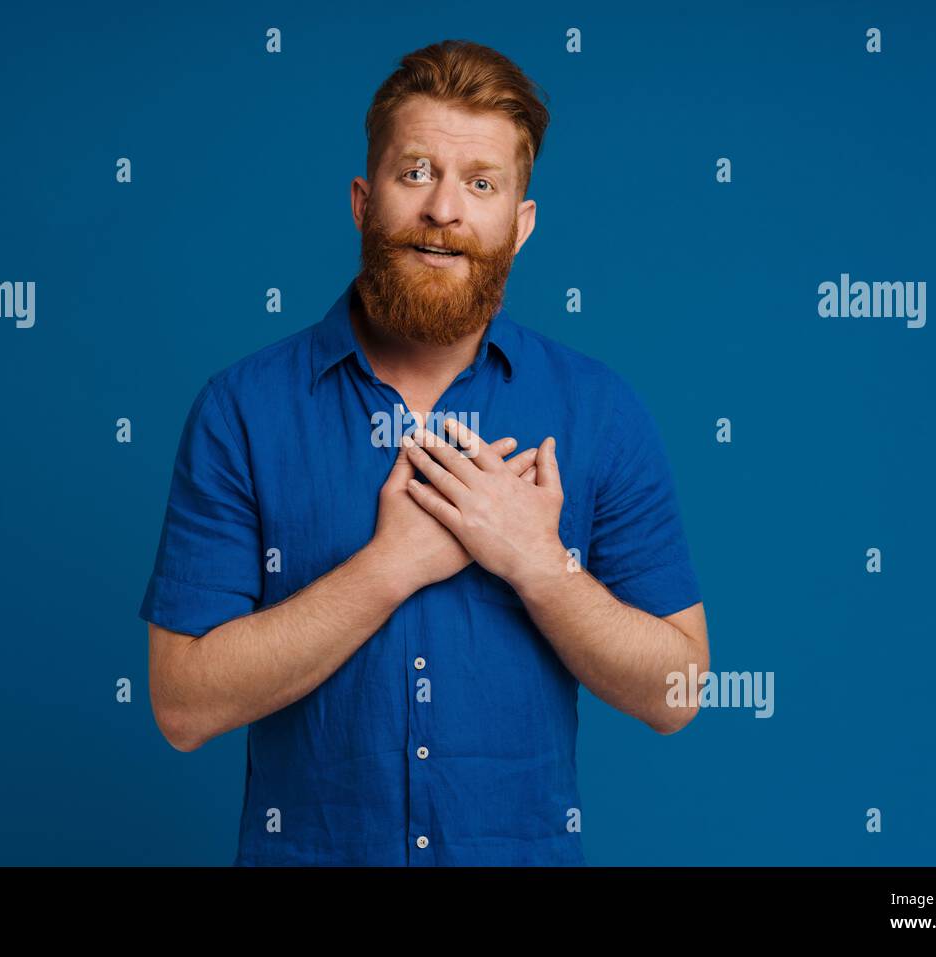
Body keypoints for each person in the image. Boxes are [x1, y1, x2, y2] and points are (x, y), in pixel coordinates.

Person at [139, 39, 709, 866]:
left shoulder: (601, 412)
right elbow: (181, 705)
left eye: (481, 184)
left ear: (519, 226)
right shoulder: (241, 412)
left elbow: (680, 691)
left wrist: (536, 564)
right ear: (364, 201)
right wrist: (389, 566)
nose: (445, 210)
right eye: (416, 174)